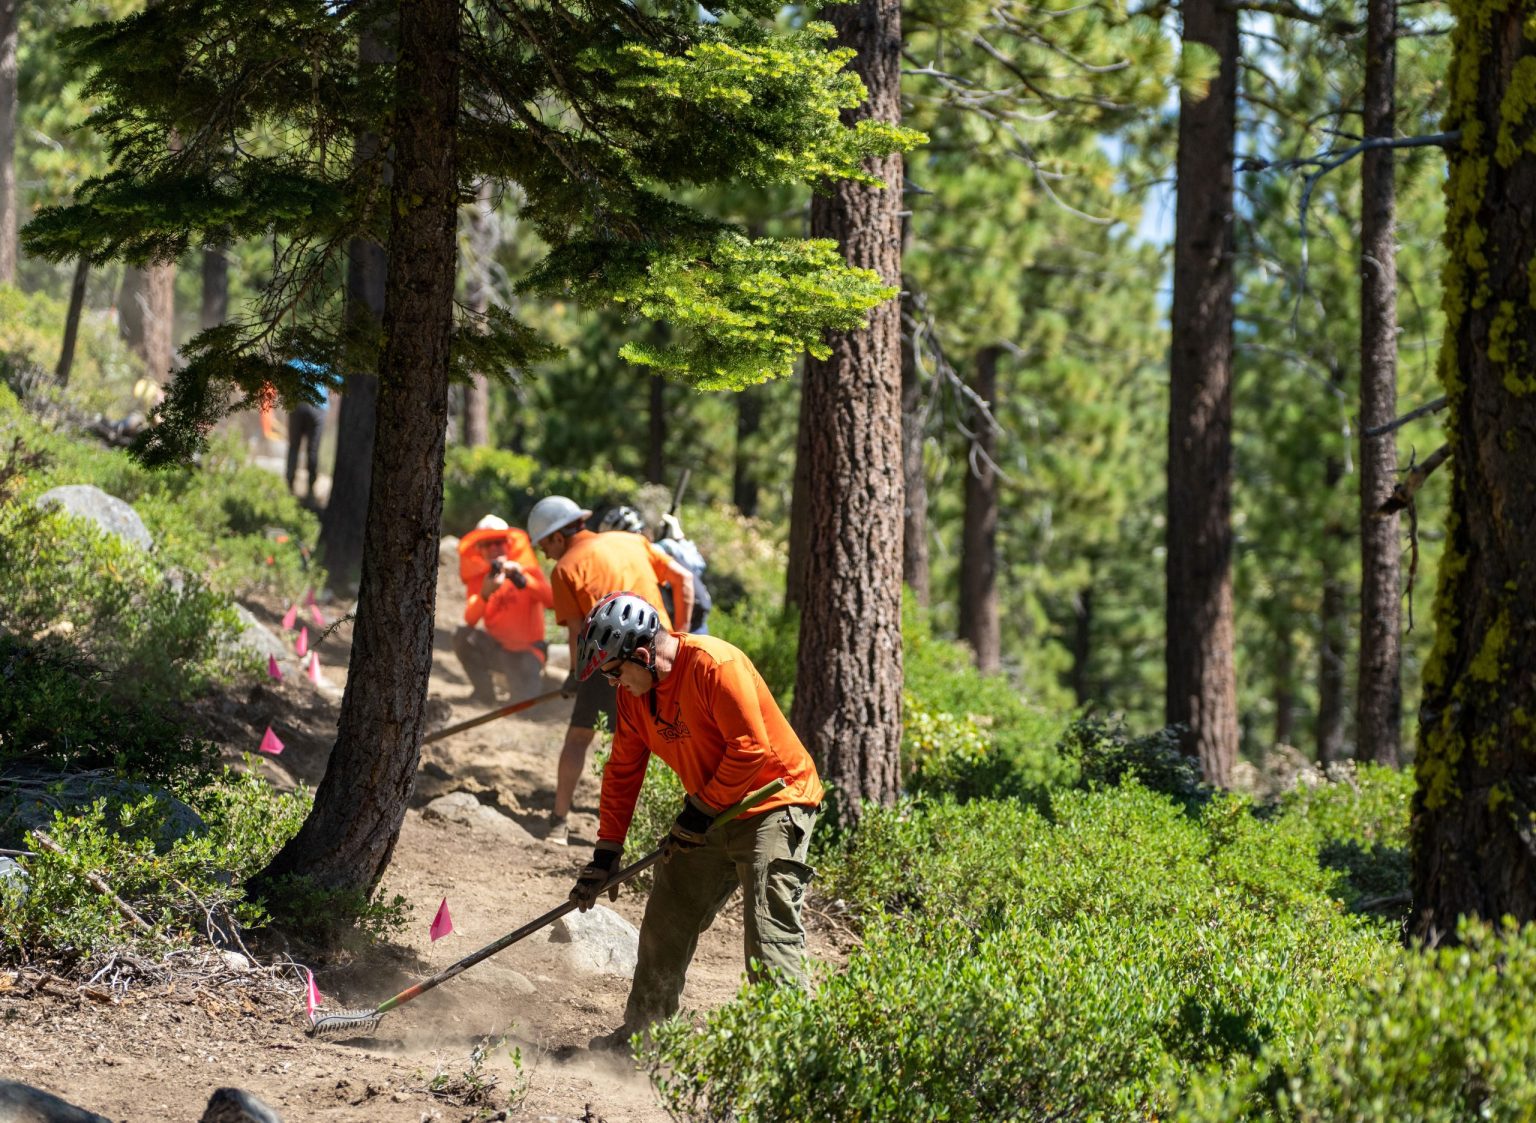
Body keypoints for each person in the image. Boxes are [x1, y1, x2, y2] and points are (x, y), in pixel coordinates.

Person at [567, 591, 823, 1053]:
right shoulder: (634, 698)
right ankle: (644, 1038)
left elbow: (751, 749)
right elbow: (623, 771)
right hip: (712, 808)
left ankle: (793, 1058)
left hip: (775, 801)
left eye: (614, 672)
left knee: (769, 931)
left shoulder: (713, 665)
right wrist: (606, 855)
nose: (613, 684)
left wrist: (697, 812)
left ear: (643, 655)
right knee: (668, 914)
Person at [527, 495, 695, 844]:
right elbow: (684, 580)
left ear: (558, 537)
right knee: (661, 743)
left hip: (612, 660)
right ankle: (651, 834)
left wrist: (577, 676)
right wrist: (683, 637)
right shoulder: (632, 541)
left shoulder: (565, 568)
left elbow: (577, 632)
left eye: (545, 545)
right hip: (662, 657)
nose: (545, 554)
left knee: (579, 737)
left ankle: (559, 821)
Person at [453, 514, 552, 705]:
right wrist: (485, 593)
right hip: (497, 650)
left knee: (523, 709)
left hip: (527, 653)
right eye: (487, 544)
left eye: (499, 542)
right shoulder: (480, 578)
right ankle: (484, 695)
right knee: (463, 636)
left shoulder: (526, 571)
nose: (494, 549)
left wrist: (524, 580)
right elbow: (470, 619)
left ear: (508, 544)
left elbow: (551, 602)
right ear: (479, 550)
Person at [599, 506, 712, 634]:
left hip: (673, 626)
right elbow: (698, 566)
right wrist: (679, 537)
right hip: (696, 621)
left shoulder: (645, 553)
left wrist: (681, 632)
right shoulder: (666, 546)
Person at [655, 512, 713, 635]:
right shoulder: (672, 546)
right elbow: (699, 565)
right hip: (699, 618)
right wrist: (679, 536)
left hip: (676, 623)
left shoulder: (656, 549)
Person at [285, 359, 329, 502]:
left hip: (297, 405)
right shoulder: (324, 360)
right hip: (318, 408)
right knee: (313, 450)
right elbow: (339, 381)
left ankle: (289, 486)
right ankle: (310, 489)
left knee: (294, 446)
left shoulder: (294, 361)